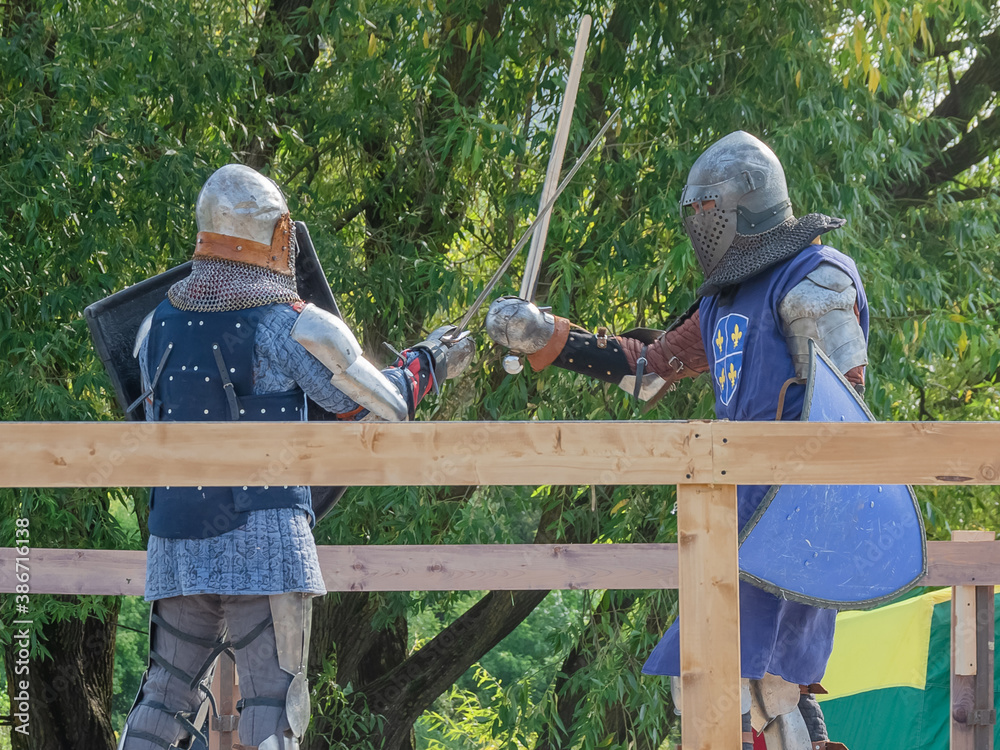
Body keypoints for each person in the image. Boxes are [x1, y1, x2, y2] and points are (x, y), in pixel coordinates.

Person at [485, 131, 864, 750]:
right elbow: (649, 371)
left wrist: (804, 510)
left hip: (790, 512)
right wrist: (546, 336)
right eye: (694, 212)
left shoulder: (812, 278)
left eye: (707, 211)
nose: (698, 225)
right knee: (712, 683)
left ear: (745, 206)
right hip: (731, 513)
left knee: (756, 687)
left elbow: (844, 411)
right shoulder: (725, 300)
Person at [118, 164, 474, 750]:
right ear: (280, 236)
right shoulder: (290, 325)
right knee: (271, 704)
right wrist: (430, 360)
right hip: (266, 541)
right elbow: (376, 404)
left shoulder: (154, 324)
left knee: (162, 697)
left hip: (175, 537)